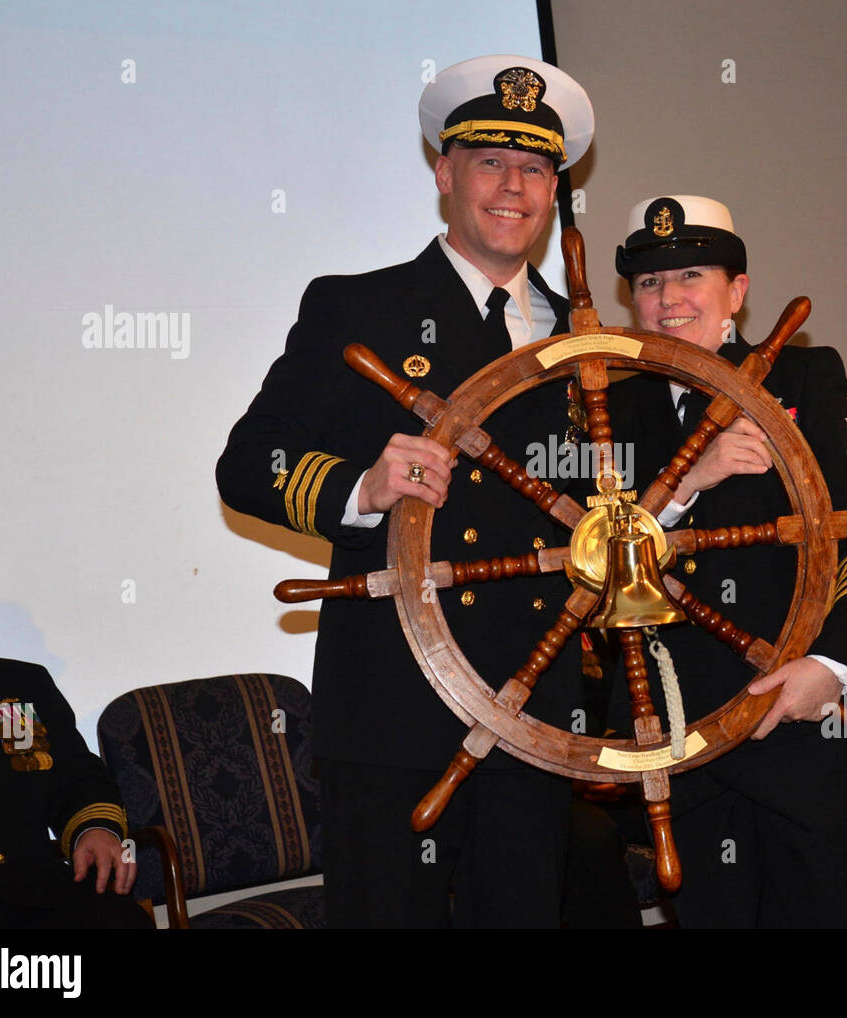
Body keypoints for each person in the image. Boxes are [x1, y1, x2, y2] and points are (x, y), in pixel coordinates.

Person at [216, 56, 596, 927]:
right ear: (443, 174)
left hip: (536, 714)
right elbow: (248, 464)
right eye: (490, 162)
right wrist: (361, 488)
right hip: (394, 709)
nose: (514, 186)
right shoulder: (359, 309)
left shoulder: (587, 342)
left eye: (536, 168)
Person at [608, 196, 847, 927]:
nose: (669, 299)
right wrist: (686, 482)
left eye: (690, 275)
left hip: (821, 728)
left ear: (736, 291)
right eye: (648, 283)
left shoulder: (806, 381)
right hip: (694, 744)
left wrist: (831, 666)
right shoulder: (609, 416)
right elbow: (599, 571)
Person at [0, 520, 148, 929]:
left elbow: (67, 777)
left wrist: (94, 830)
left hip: (25, 897)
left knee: (120, 921)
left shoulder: (8, 692)